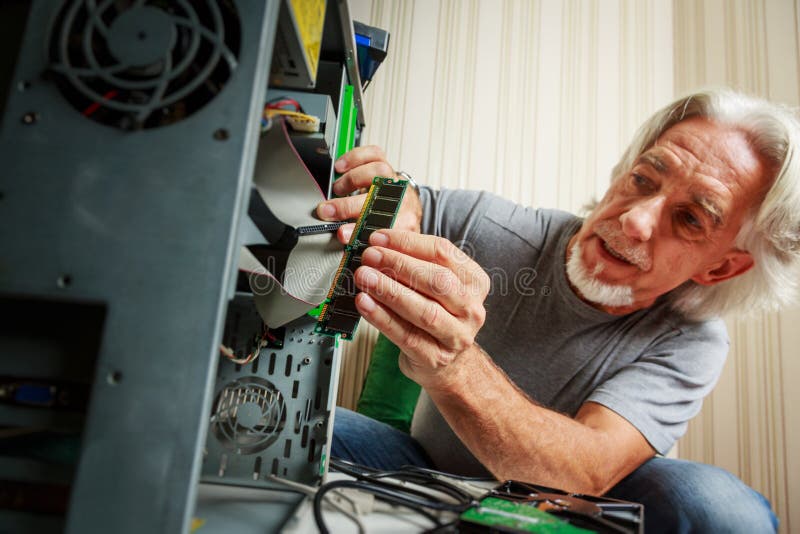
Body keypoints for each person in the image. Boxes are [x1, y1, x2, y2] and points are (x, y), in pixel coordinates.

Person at [315, 88, 800, 532]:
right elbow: (416, 206)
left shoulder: (691, 340)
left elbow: (582, 471)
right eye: (643, 179)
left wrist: (455, 366)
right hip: (420, 465)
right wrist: (391, 199)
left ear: (719, 269)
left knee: (721, 507)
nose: (634, 220)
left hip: (566, 506)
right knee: (275, 419)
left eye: (690, 218)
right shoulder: (504, 230)